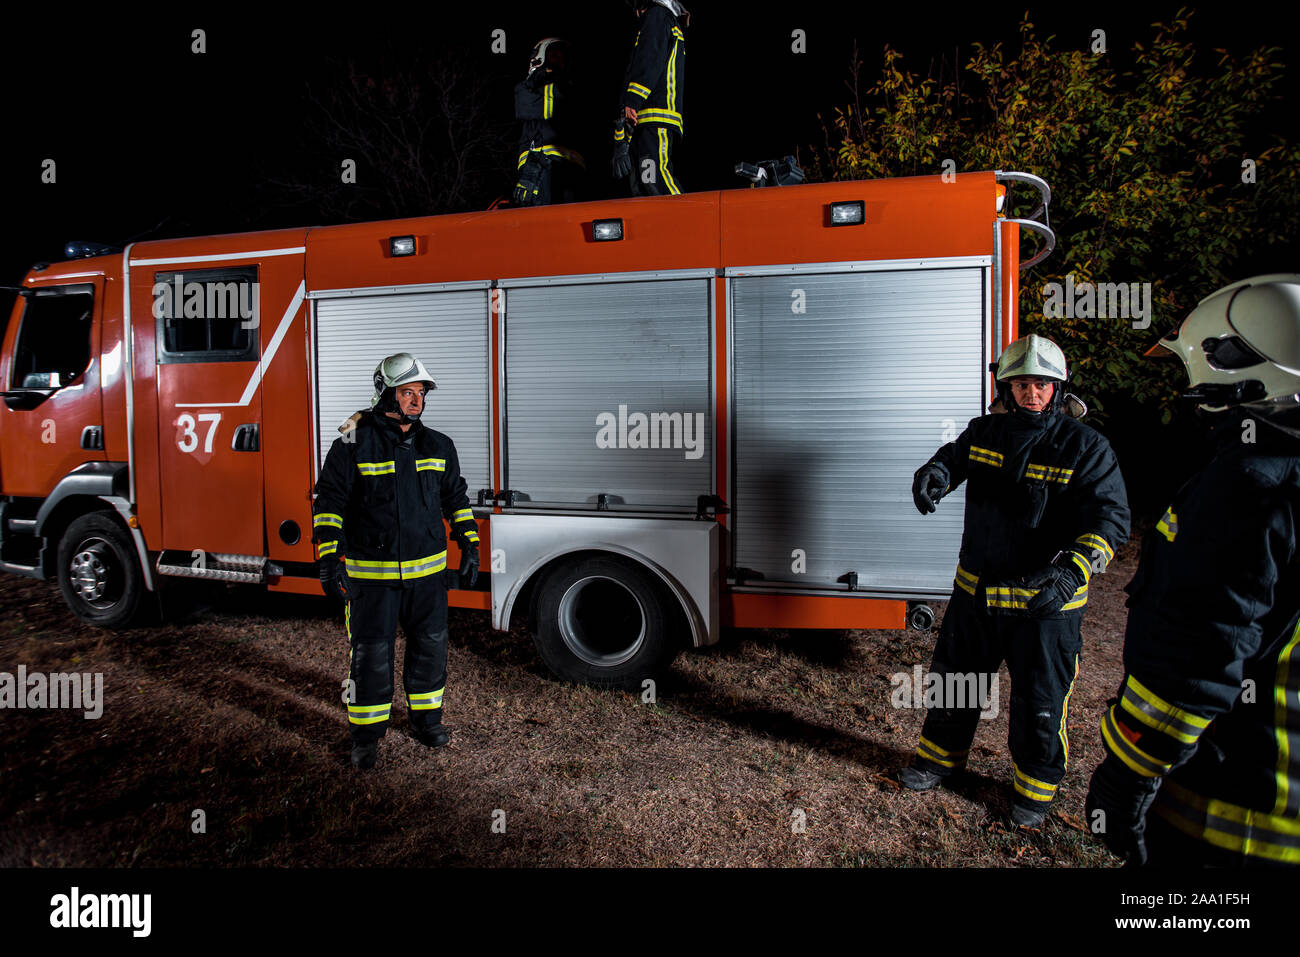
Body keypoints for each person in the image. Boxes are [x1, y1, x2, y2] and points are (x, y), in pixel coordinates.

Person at [1086, 275, 1300, 866]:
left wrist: (1127, 772)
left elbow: (1198, 647)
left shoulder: (1250, 485)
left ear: (1232, 362)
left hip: (1232, 819)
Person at [901, 334, 1130, 827]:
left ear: (1059, 388)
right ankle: (939, 762)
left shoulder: (1085, 447)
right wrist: (935, 472)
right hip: (976, 596)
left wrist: (1074, 571)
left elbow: (1111, 520)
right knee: (955, 684)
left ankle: (1034, 790)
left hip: (1045, 605)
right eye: (1022, 384)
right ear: (1005, 387)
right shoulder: (984, 431)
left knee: (1041, 700)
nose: (1032, 394)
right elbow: (955, 457)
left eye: (1042, 385)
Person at [313, 353, 480, 770]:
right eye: (408, 393)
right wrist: (329, 558)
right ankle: (366, 737)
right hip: (372, 580)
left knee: (431, 648)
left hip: (428, 579)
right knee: (371, 656)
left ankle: (427, 721)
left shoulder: (438, 445)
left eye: (420, 394)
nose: (416, 401)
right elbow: (330, 503)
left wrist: (470, 544)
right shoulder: (351, 443)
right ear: (385, 393)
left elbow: (455, 499)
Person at [611, 0, 688, 196]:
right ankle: (654, 226)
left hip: (654, 114)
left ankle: (687, 222)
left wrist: (632, 101)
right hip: (644, 119)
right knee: (643, 185)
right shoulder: (658, 18)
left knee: (655, 180)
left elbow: (649, 61)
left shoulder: (657, 15)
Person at [513, 37, 586, 206]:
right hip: (540, 164)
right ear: (539, 57)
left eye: (563, 57)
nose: (559, 61)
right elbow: (533, 110)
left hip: (571, 168)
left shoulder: (571, 88)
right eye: (554, 55)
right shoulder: (530, 88)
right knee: (543, 225)